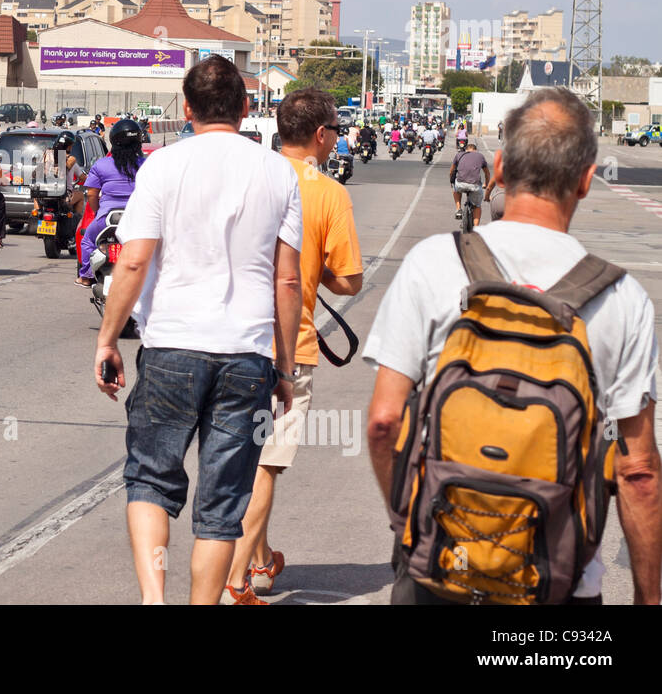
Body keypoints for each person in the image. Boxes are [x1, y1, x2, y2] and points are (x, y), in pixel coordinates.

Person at [365, 88, 660, 605]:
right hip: (559, 585)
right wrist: (649, 597)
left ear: (498, 168)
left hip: (439, 572)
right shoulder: (624, 300)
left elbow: (384, 422)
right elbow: (637, 473)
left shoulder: (434, 262)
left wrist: (414, 529)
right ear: (587, 181)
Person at [93, 56, 302, 605]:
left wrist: (107, 339)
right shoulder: (278, 171)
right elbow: (287, 281)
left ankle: (154, 599)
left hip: (171, 349)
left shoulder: (162, 166)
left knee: (150, 481)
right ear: (246, 106)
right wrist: (284, 368)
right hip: (248, 358)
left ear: (186, 109)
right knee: (222, 503)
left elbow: (133, 262)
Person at [223, 89, 364, 604]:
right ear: (321, 135)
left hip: (228, 339)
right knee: (267, 465)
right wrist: (313, 271)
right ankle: (236, 579)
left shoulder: (248, 171)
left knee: (238, 457)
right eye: (336, 130)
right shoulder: (327, 192)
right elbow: (349, 281)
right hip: (289, 348)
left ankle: (261, 560)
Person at [76, 119, 144, 288]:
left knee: (88, 240)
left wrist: (99, 212)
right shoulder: (146, 164)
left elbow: (92, 194)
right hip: (138, 218)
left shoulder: (101, 165)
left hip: (106, 218)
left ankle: (86, 276)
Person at [450, 141, 491, 225]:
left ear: (466, 150)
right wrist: (486, 184)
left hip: (461, 184)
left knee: (455, 188)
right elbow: (487, 173)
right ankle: (476, 228)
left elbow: (451, 171)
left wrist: (451, 182)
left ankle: (458, 209)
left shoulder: (459, 155)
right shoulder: (480, 156)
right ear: (476, 150)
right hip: (475, 185)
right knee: (477, 206)